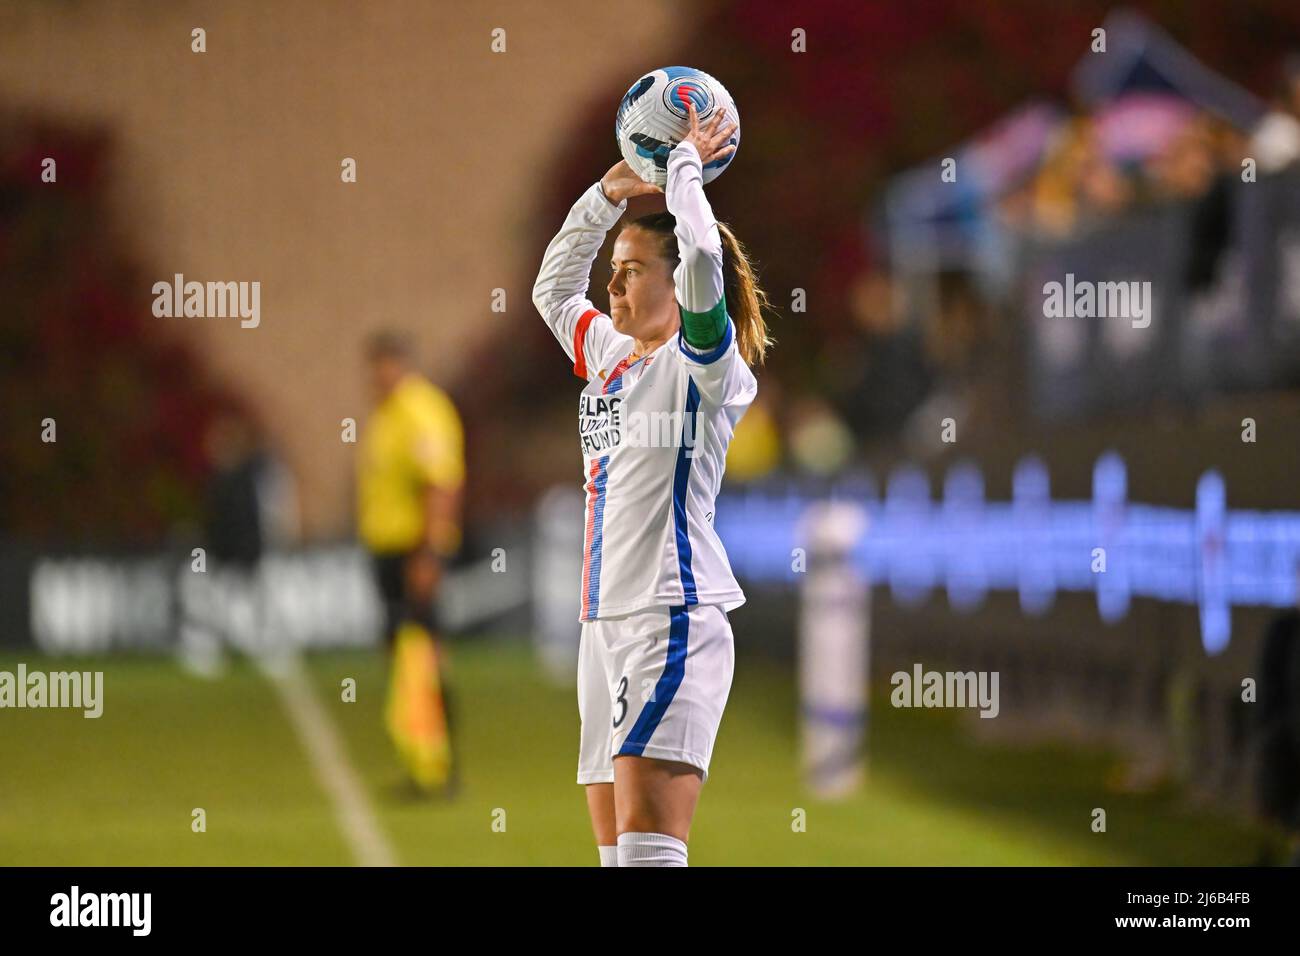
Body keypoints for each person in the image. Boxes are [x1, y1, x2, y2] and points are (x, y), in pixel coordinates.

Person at [532, 103, 773, 866]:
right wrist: (603, 198)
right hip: (604, 623)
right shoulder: (614, 357)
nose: (613, 289)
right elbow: (551, 290)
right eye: (614, 274)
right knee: (617, 858)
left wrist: (686, 175)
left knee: (647, 857)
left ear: (677, 287)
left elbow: (704, 259)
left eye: (632, 272)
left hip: (671, 617)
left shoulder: (703, 367)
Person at [356, 331, 465, 795]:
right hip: (389, 554)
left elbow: (441, 484)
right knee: (404, 658)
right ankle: (420, 760)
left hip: (411, 553)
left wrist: (429, 554)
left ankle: (440, 765)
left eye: (385, 365)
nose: (378, 377)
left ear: (402, 364)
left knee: (424, 654)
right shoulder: (388, 414)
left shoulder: (419, 410)